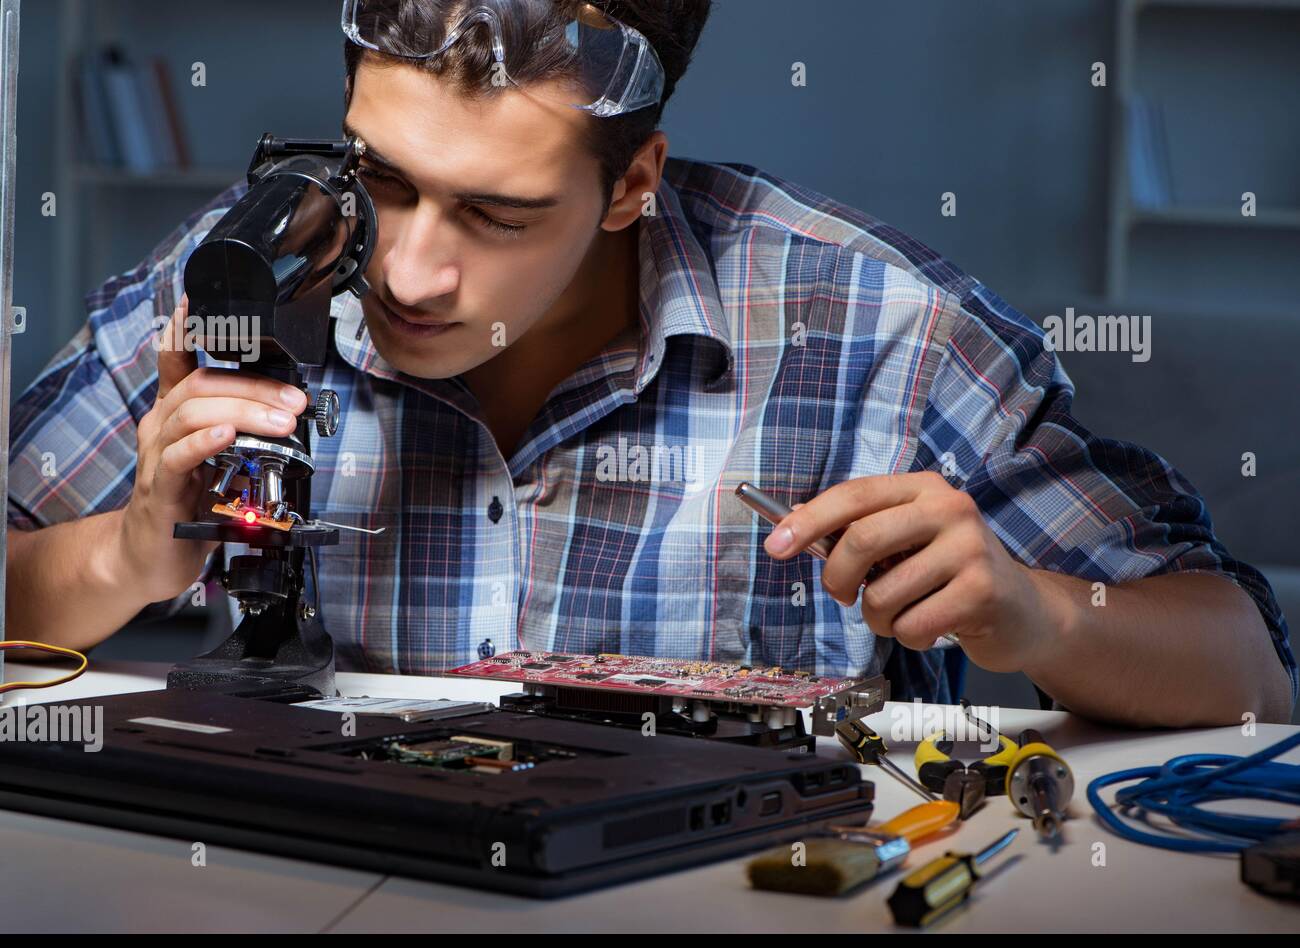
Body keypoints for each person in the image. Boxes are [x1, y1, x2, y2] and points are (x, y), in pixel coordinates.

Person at [7, 1, 1295, 726]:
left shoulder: (872, 320)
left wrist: (1037, 612)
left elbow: (1249, 675)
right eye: (383, 180)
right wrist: (123, 554)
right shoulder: (249, 276)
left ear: (633, 182)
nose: (404, 270)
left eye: (496, 215)